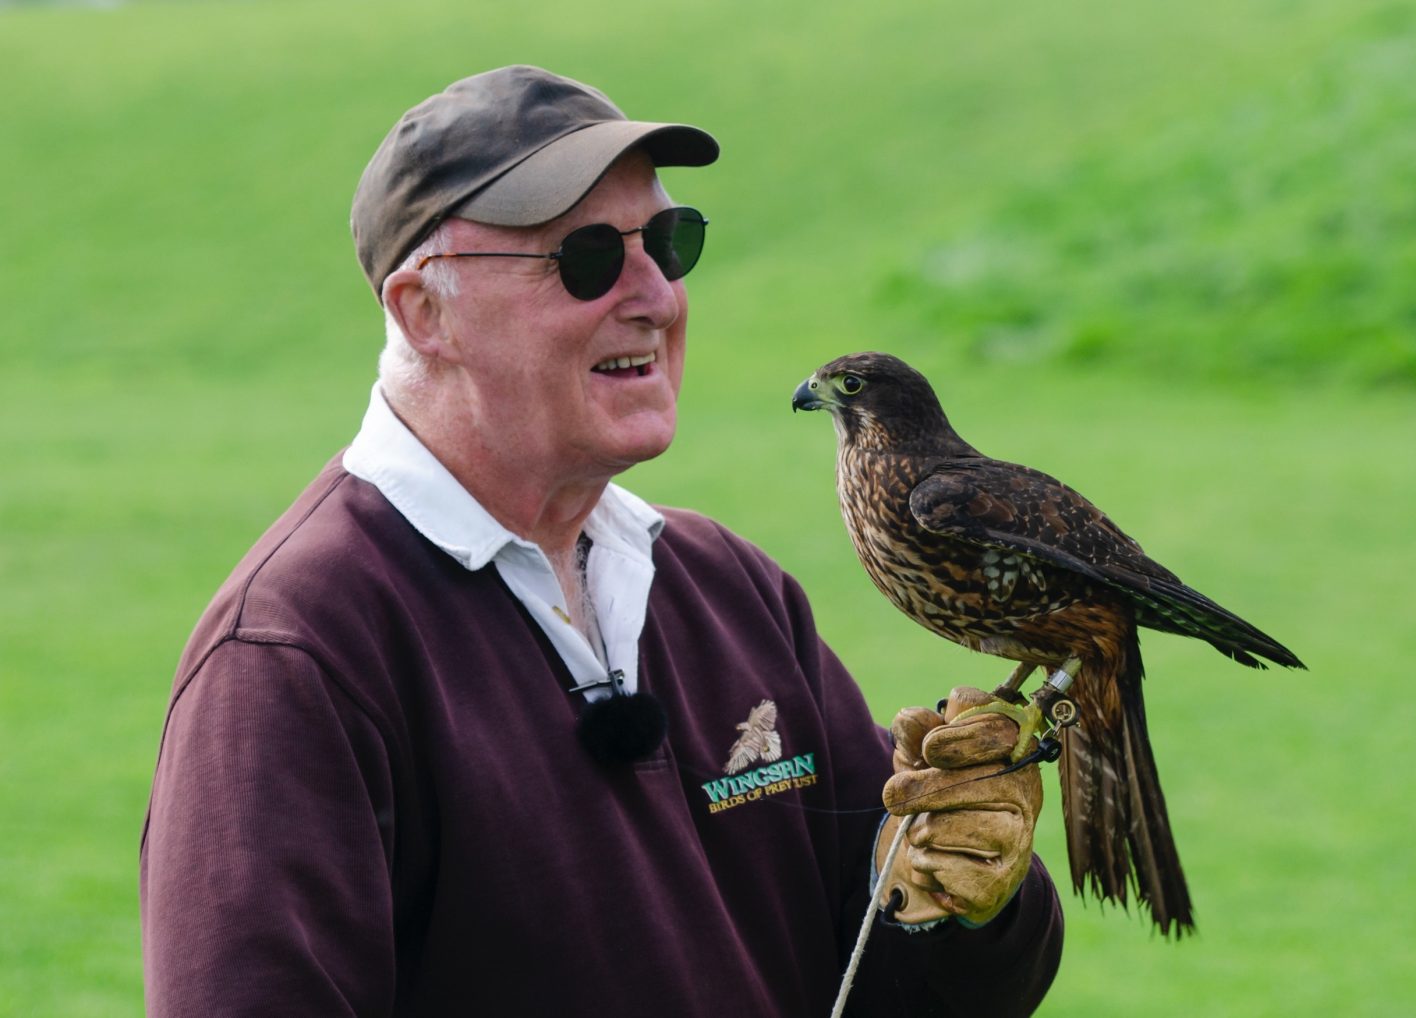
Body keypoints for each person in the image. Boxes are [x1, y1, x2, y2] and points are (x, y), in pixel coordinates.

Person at [139, 65, 1063, 1016]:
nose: (655, 295)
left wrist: (959, 901)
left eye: (670, 242)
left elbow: (915, 986)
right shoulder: (296, 653)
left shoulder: (730, 590)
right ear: (425, 310)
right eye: (585, 257)